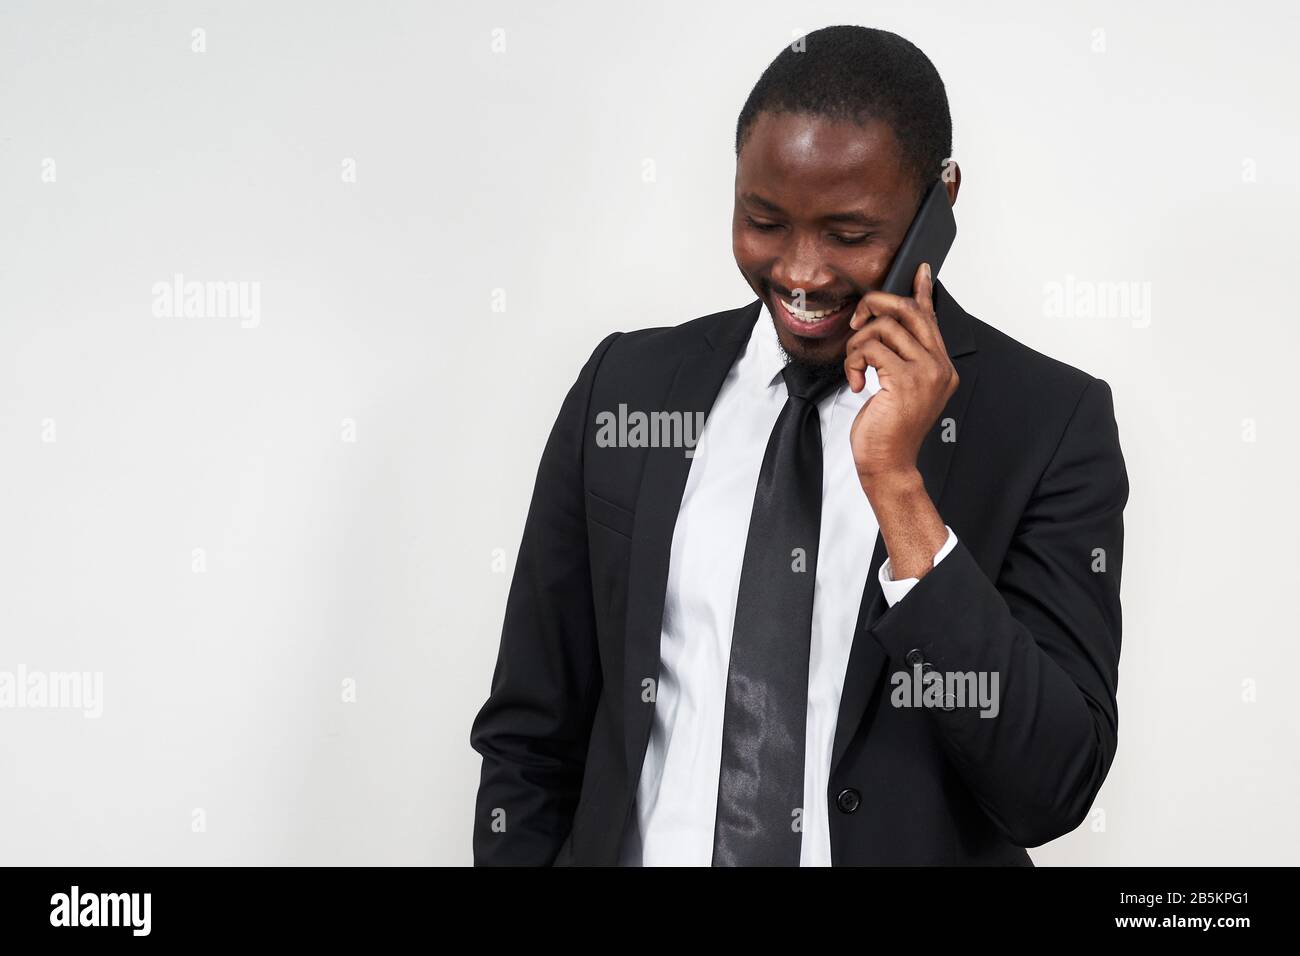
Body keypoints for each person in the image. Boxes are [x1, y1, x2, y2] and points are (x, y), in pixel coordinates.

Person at [470, 24, 1128, 866]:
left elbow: (1051, 785)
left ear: (941, 205)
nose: (802, 272)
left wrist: (899, 489)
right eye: (764, 220)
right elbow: (532, 731)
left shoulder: (1048, 422)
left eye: (850, 234)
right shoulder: (626, 388)